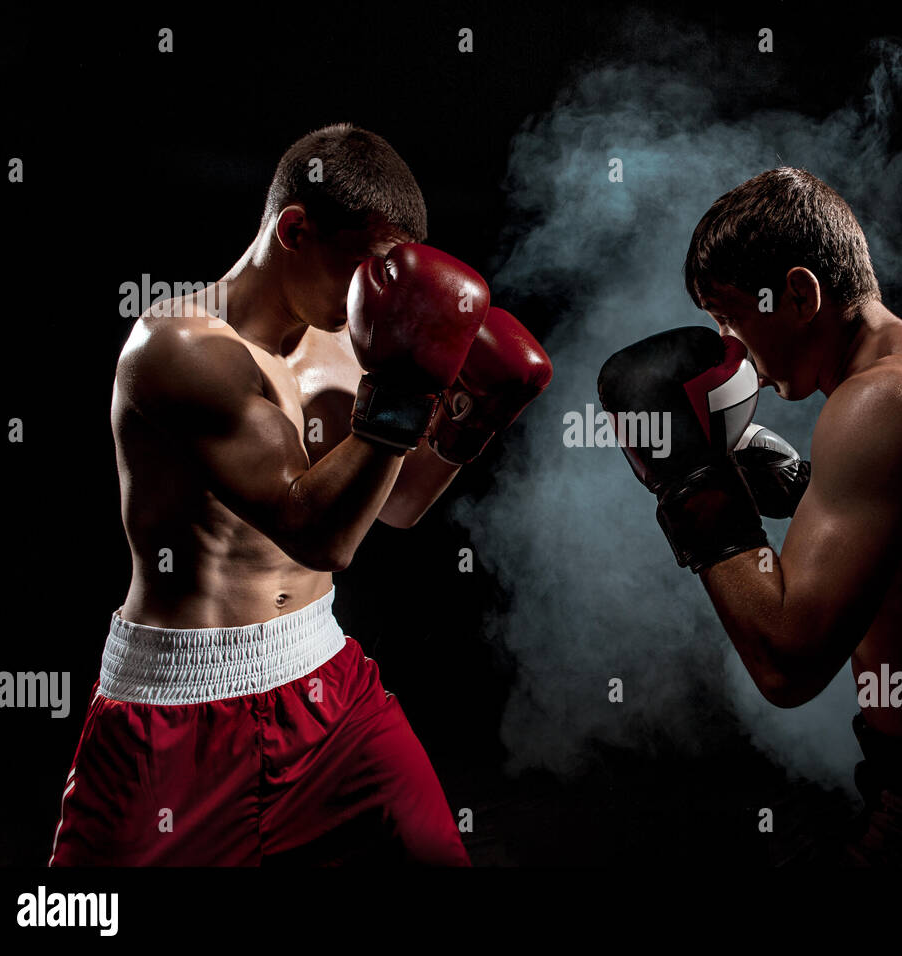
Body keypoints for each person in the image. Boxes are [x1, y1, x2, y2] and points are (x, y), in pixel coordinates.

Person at [49, 124, 552, 866]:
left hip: (327, 686)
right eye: (365, 268)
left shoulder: (353, 342)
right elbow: (317, 534)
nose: (373, 295)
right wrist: (406, 396)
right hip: (176, 712)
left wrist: (466, 427)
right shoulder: (180, 349)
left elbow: (397, 506)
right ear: (295, 229)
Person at [598, 166, 902, 865]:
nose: (731, 346)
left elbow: (785, 668)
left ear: (800, 292)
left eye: (733, 313)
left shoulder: (883, 403)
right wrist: (796, 485)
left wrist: (690, 485)